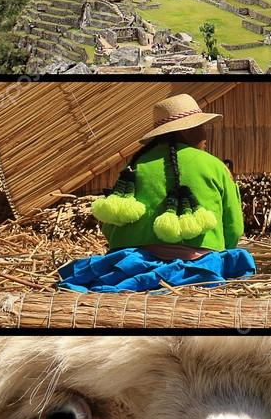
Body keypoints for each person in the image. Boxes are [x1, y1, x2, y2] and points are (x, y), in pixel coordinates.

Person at [57, 94, 255, 292]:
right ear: (186, 131)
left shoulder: (135, 166)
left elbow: (111, 225)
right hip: (196, 266)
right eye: (200, 127)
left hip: (131, 264)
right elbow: (234, 228)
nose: (205, 135)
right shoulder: (215, 166)